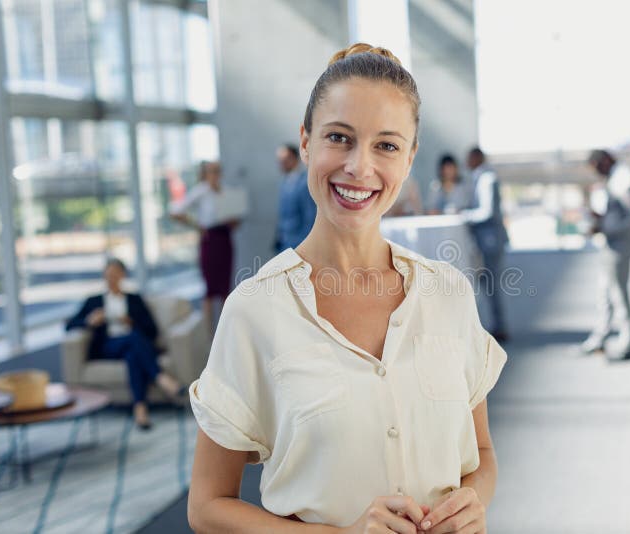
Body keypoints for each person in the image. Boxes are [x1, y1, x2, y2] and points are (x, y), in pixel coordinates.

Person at [187, 43, 507, 533]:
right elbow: (207, 507)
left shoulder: (449, 294)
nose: (360, 167)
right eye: (340, 137)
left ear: (410, 157)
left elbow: (481, 454)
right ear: (306, 142)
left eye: (387, 145)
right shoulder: (254, 310)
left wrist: (472, 500)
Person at [65, 258, 183, 430]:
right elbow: (69, 325)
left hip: (133, 346)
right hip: (108, 346)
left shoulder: (134, 300)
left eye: (115, 274)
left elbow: (152, 330)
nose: (111, 278)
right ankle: (161, 377)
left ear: (122, 275)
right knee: (133, 339)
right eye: (108, 275)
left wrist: (131, 321)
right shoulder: (94, 301)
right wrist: (89, 321)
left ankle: (140, 409)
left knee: (133, 354)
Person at [580, 149, 630, 361]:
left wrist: (605, 227)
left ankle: (627, 344)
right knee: (604, 294)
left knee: (619, 296)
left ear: (605, 161)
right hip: (610, 244)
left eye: (597, 168)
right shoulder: (613, 178)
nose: (597, 173)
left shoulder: (623, 178)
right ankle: (601, 337)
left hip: (620, 246)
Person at [170, 160, 240, 336]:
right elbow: (176, 211)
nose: (215, 175)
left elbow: (236, 222)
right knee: (210, 289)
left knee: (225, 287)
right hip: (210, 240)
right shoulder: (200, 191)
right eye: (211, 171)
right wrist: (196, 226)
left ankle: (226, 334)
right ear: (205, 173)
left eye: (217, 171)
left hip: (225, 239)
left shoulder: (227, 191)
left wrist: (233, 221)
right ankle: (209, 337)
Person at [460, 147, 509, 342]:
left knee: (492, 284)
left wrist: (465, 216)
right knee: (487, 283)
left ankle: (500, 326)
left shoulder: (487, 179)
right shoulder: (479, 177)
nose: (466, 162)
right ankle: (496, 324)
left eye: (469, 158)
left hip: (490, 240)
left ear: (476, 158)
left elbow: (487, 211)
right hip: (486, 239)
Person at [273, 144, 317, 253]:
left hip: (298, 243)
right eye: (279, 160)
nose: (281, 164)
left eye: (285, 159)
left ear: (294, 158)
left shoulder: (304, 183)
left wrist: (304, 246)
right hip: (284, 242)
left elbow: (309, 217)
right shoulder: (285, 182)